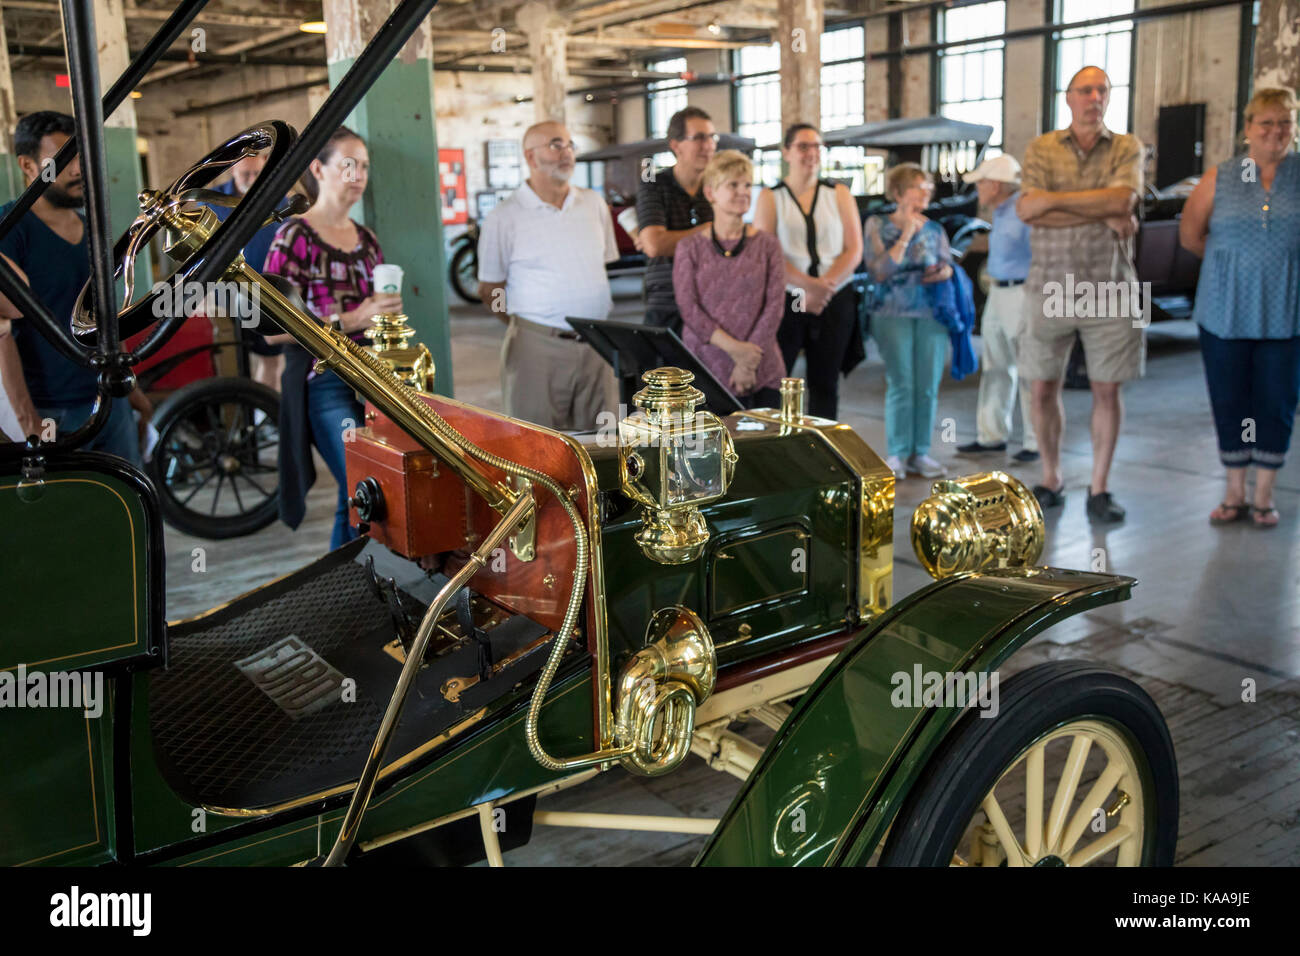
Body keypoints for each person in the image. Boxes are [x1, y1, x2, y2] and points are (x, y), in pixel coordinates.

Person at [262, 126, 400, 551]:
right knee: (361, 482)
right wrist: (353, 316)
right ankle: (351, 586)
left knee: (365, 492)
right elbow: (272, 329)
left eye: (364, 166)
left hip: (373, 378)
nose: (358, 174)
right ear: (318, 168)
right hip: (323, 380)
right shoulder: (294, 236)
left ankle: (361, 586)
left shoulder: (367, 240)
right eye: (348, 163)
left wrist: (384, 321)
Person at [1017, 65, 1144, 522]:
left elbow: (1123, 202)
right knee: (1041, 387)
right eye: (1085, 90)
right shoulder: (1041, 148)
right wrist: (1098, 208)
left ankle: (1099, 489)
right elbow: (1028, 208)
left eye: (1102, 90)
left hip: (1110, 285)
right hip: (1048, 282)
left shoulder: (1128, 146)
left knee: (1106, 390)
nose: (1094, 98)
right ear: (1067, 97)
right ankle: (1051, 479)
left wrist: (1056, 200)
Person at [1178, 88, 1300, 529]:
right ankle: (1234, 491)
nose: (1276, 131)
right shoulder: (1222, 176)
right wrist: (1237, 265)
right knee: (1231, 399)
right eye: (1265, 122)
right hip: (1225, 311)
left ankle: (1263, 495)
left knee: (1277, 400)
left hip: (1286, 312)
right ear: (1248, 128)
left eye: (1284, 122)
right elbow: (1191, 236)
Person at [0, 111, 149, 464]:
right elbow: (1, 333)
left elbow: (106, 314)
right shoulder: (10, 230)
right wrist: (28, 420)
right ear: (28, 165)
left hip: (109, 401)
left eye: (81, 156)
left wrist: (132, 389)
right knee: (69, 511)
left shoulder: (93, 231)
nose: (78, 168)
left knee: (127, 507)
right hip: (49, 410)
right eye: (63, 159)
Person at [476, 120, 618, 430]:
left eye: (570, 145)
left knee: (603, 447)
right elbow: (490, 289)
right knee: (539, 451)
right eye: (556, 145)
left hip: (598, 346)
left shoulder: (593, 204)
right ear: (530, 157)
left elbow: (600, 265)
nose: (566, 153)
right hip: (537, 350)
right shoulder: (504, 217)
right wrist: (524, 323)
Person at [753, 123, 864, 420]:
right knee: (777, 380)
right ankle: (775, 447)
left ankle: (823, 452)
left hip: (834, 296)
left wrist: (824, 287)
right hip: (790, 296)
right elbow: (768, 253)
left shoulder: (839, 192)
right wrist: (806, 288)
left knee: (825, 382)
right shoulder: (771, 197)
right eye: (803, 146)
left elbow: (854, 249)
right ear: (786, 152)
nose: (811, 153)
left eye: (817, 146)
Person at [673, 151, 786, 408]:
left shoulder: (768, 245)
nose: (743, 191)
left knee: (766, 446)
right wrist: (736, 350)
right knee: (708, 448)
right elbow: (689, 309)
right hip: (705, 365)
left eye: (747, 185)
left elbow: (775, 306)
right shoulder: (689, 247)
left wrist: (748, 362)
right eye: (733, 185)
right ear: (711, 193)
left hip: (760, 364)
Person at [864, 163, 954, 480]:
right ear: (899, 192)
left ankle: (922, 452)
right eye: (919, 185)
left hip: (931, 314)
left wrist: (943, 272)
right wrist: (906, 235)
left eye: (928, 185)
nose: (926, 191)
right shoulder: (877, 225)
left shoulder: (936, 229)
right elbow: (879, 271)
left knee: (927, 385)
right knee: (901, 383)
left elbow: (947, 267)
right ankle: (898, 453)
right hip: (891, 314)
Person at [957, 154, 1039, 462]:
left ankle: (1035, 442)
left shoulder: (1023, 210)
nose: (977, 188)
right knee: (995, 365)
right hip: (998, 293)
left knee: (1031, 369)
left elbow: (1040, 252)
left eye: (980, 182)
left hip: (1021, 293)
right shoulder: (1001, 212)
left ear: (995, 184)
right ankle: (991, 436)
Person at [206, 150, 291, 392]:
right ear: (233, 169)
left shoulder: (279, 199)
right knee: (233, 361)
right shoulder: (212, 201)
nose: (252, 179)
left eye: (257, 173)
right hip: (226, 298)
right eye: (245, 173)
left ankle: (264, 416)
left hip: (265, 294)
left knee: (270, 358)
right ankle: (244, 413)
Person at [635, 106, 718, 333]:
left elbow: (733, 239)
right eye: (699, 138)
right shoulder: (654, 184)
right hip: (667, 301)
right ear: (675, 145)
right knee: (667, 368)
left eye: (712, 137)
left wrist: (672, 239)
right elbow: (654, 245)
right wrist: (711, 231)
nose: (709, 145)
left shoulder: (718, 187)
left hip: (712, 298)